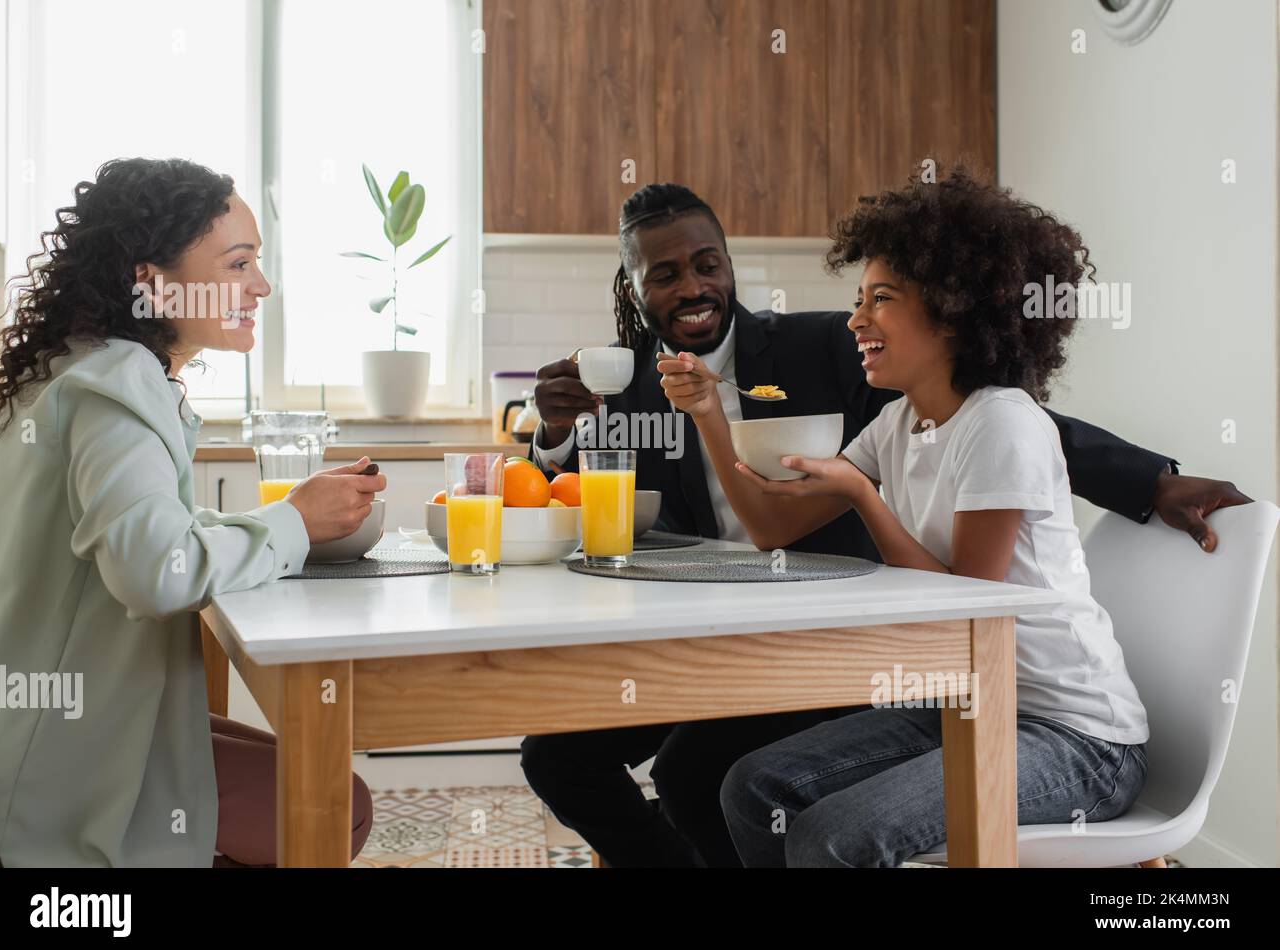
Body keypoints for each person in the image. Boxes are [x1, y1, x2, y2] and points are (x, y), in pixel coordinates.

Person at [522, 181, 1250, 867]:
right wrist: (690, 415)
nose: (689, 286)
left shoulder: (865, 366)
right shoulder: (631, 387)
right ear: (634, 288)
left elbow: (1002, 439)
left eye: (705, 264)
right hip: (860, 671)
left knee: (754, 799)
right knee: (659, 770)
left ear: (946, 310)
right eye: (664, 274)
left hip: (979, 695)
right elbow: (758, 518)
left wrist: (1149, 480)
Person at [704, 166, 1158, 865]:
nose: (856, 319)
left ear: (952, 310)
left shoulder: (1002, 423)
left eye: (880, 299)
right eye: (860, 298)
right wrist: (708, 413)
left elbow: (968, 608)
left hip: (1075, 738)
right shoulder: (900, 422)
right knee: (753, 788)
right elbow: (772, 526)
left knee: (833, 837)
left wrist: (863, 497)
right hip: (959, 705)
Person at [0, 158, 381, 866]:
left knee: (314, 769)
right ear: (155, 282)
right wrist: (292, 524)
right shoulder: (118, 387)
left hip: (27, 718)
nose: (260, 286)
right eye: (237, 264)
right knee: (336, 804)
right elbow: (153, 571)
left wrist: (293, 516)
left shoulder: (74, 369)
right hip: (52, 763)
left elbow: (152, 537)